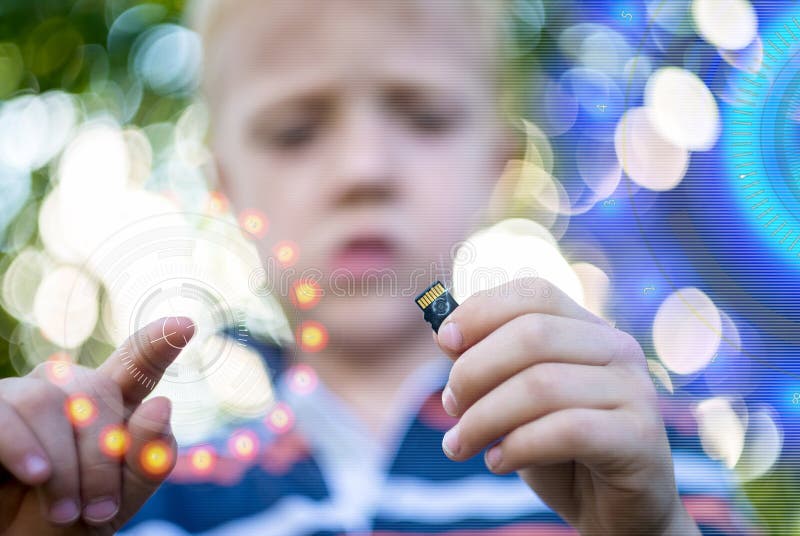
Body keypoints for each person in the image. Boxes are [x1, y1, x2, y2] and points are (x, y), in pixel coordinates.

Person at [0, 1, 755, 534]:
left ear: (496, 167)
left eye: (424, 117)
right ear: (227, 190)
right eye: (295, 131)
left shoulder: (634, 454)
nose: (364, 169)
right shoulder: (136, 504)